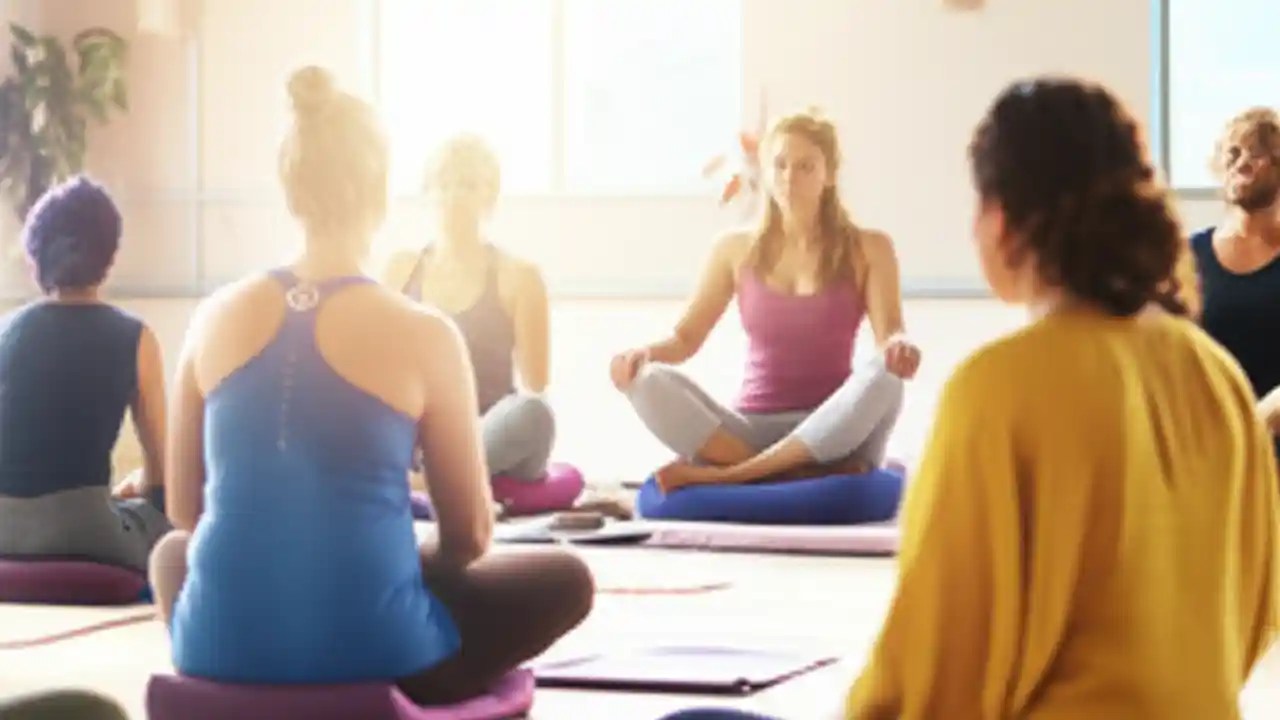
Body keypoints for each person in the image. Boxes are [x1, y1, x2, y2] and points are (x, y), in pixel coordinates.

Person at [148, 67, 593, 706]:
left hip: (215, 651)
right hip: (385, 652)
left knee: (171, 555)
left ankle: (249, 652)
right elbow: (469, 537)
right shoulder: (425, 333)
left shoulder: (212, 315)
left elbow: (185, 512)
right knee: (564, 578)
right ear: (382, 191)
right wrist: (397, 559)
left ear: (290, 187)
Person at [609, 108, 919, 491]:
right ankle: (795, 474)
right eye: (780, 165)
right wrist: (641, 354)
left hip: (836, 432)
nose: (790, 177)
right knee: (648, 382)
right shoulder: (732, 249)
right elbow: (686, 338)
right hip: (749, 433)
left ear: (830, 174)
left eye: (806, 166)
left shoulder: (870, 248)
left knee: (886, 376)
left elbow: (890, 333)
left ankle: (739, 475)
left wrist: (899, 347)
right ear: (767, 172)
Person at [0, 176, 169, 572]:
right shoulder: (137, 337)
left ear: (35, 255)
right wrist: (130, 489)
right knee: (168, 523)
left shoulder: (4, 331)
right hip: (91, 533)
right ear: (109, 254)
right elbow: (164, 475)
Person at [383, 134, 555, 482]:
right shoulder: (401, 268)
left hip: (494, 437)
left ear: (489, 196)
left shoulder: (519, 276)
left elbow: (537, 381)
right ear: (427, 191)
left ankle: (433, 479)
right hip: (421, 439)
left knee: (534, 413)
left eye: (467, 185)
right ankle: (435, 475)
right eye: (443, 184)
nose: (452, 196)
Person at [1187, 107, 1280, 456]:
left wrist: (1264, 418)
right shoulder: (1186, 258)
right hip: (1208, 459)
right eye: (1234, 153)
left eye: (1257, 154)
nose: (1242, 163)